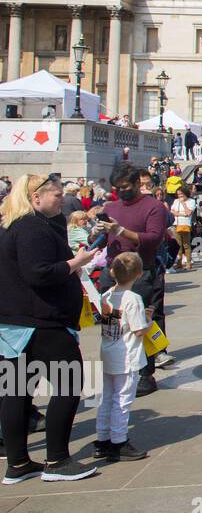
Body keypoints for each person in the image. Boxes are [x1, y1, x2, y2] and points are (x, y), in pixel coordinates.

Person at [0, 174, 100, 483]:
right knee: (69, 386)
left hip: (14, 324)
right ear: (36, 198)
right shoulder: (32, 228)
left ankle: (17, 464)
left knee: (15, 392)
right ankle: (57, 459)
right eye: (56, 195)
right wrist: (76, 262)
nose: (62, 199)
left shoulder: (12, 226)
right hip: (42, 323)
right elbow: (38, 274)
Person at [99, 163, 171, 397]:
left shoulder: (154, 206)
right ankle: (115, 367)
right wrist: (99, 233)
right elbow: (105, 239)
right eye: (116, 188)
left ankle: (146, 373)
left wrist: (121, 231)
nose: (121, 191)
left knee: (141, 323)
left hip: (141, 273)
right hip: (112, 274)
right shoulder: (112, 206)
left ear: (138, 184)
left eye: (125, 187)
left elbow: (152, 238)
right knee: (112, 324)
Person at [94, 252, 150, 462]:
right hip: (127, 355)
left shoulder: (107, 295)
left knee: (107, 397)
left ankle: (102, 439)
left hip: (109, 350)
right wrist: (149, 322)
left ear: (112, 272)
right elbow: (138, 330)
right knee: (123, 399)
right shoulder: (133, 299)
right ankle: (118, 441)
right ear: (139, 275)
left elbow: (113, 325)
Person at [172, 184, 196, 272]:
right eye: (178, 194)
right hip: (176, 224)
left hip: (185, 224)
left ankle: (188, 262)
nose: (180, 196)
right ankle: (179, 263)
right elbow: (172, 211)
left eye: (181, 194)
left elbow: (189, 213)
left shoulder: (191, 201)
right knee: (178, 245)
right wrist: (181, 214)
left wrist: (183, 204)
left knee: (186, 244)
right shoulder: (175, 201)